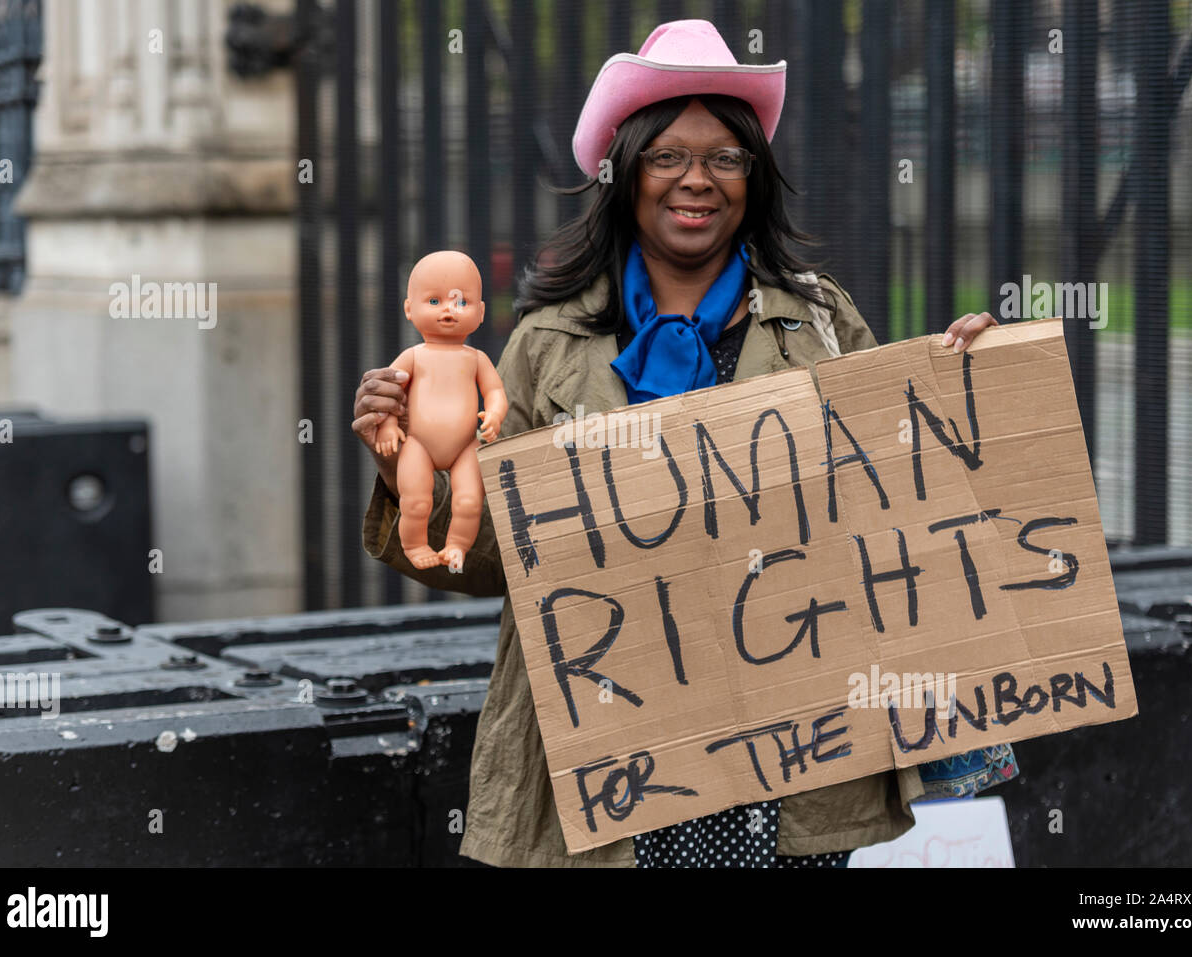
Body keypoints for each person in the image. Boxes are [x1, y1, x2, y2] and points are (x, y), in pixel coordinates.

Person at [351, 19, 1001, 868]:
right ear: (627, 175)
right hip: (610, 768)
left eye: (726, 157)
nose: (698, 180)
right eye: (668, 156)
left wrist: (963, 394)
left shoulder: (820, 320)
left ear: (753, 179)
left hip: (789, 759)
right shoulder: (548, 343)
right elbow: (490, 562)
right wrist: (409, 471)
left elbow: (888, 505)